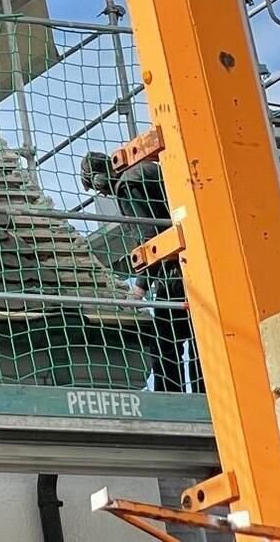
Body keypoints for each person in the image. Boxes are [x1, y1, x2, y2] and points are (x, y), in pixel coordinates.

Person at [80, 149, 195, 393]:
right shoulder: (149, 170)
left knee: (165, 340)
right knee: (198, 338)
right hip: (193, 261)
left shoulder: (127, 185)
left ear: (100, 177)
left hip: (175, 271)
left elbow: (150, 236)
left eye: (97, 186)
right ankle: (205, 392)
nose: (102, 192)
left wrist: (139, 287)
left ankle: (171, 399)